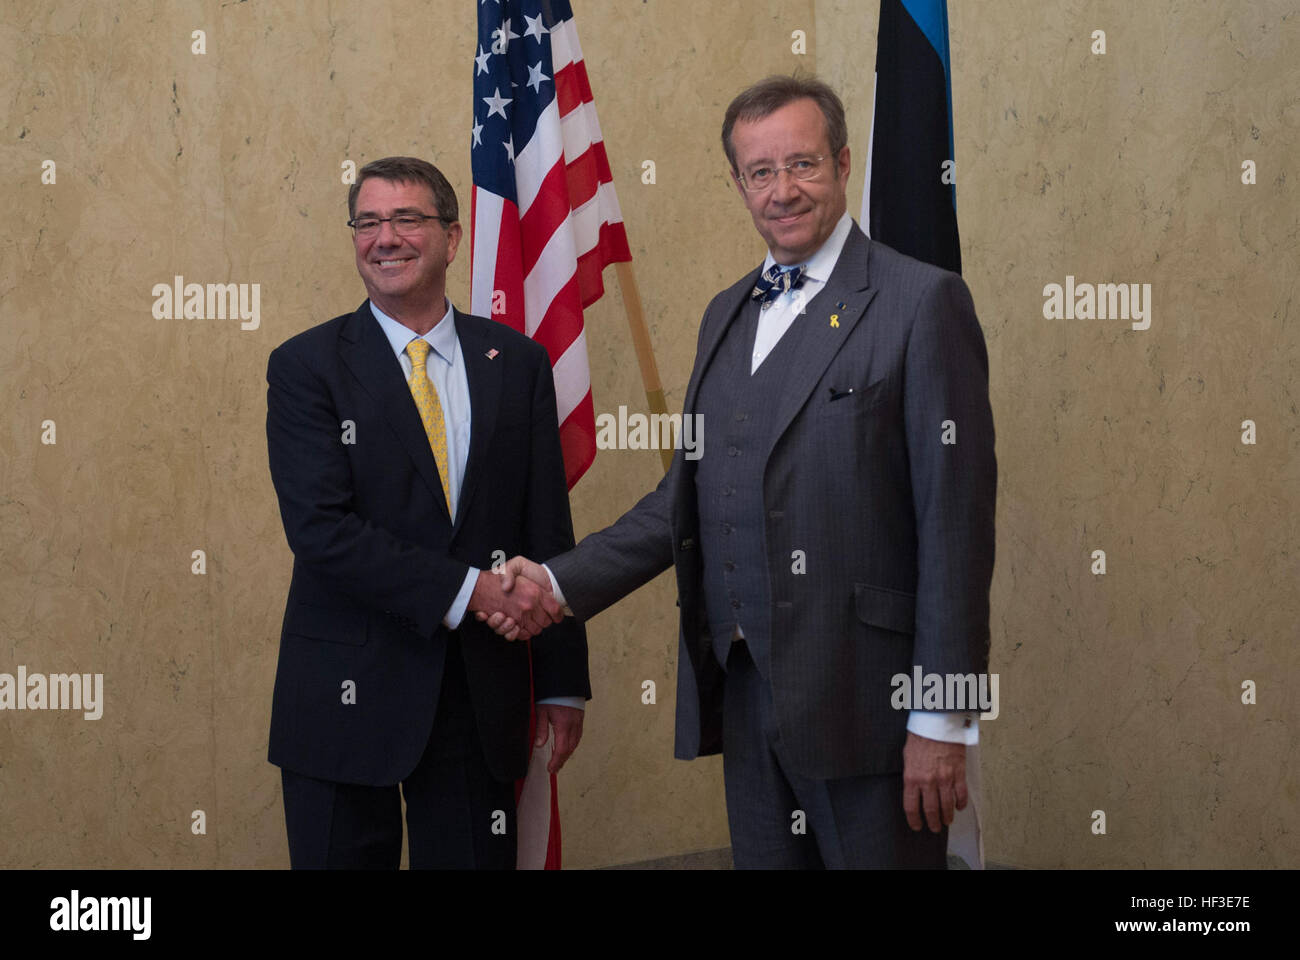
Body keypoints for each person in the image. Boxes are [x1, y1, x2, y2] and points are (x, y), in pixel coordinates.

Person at [484, 76, 996, 868]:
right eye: (760, 172)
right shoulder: (725, 312)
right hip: (748, 697)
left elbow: (956, 526)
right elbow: (679, 504)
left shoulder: (921, 303)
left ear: (844, 162)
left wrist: (943, 717)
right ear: (738, 183)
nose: (782, 190)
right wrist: (553, 587)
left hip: (873, 709)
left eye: (803, 164)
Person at [265, 156, 589, 869]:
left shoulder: (520, 363)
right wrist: (472, 589)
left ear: (452, 237)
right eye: (368, 222)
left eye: (407, 218)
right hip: (343, 697)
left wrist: (562, 680)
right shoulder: (305, 367)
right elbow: (322, 532)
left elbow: (546, 529)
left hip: (480, 699)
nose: (386, 237)